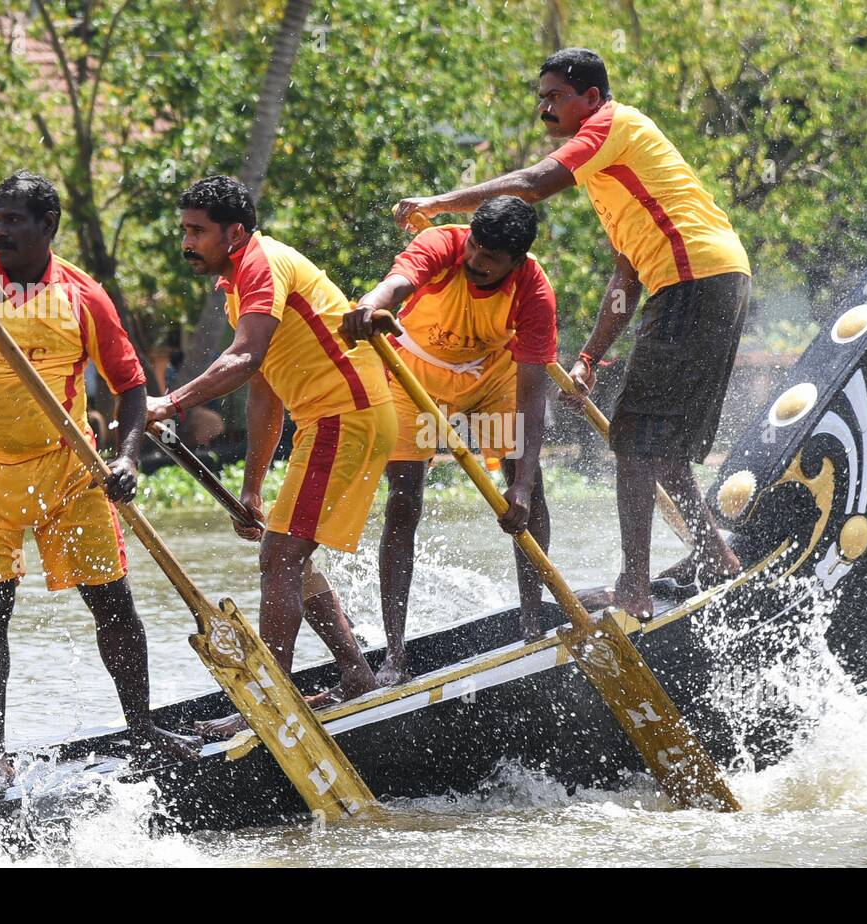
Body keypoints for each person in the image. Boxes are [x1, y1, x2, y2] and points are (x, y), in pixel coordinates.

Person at [394, 47, 751, 619]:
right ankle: (715, 557)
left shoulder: (613, 124)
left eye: (554, 98)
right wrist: (588, 356)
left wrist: (440, 203)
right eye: (541, 99)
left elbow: (533, 184)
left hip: (694, 279)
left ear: (591, 97)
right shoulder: (607, 178)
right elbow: (625, 275)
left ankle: (634, 590)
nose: (545, 111)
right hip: (704, 282)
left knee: (634, 441)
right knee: (660, 446)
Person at [0, 170, 200, 790]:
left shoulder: (84, 295)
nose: (0, 230)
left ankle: (142, 732)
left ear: (47, 227)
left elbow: (132, 388)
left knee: (113, 603)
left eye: (13, 220)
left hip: (69, 473)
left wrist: (129, 459)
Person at [146, 175, 394, 733]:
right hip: (329, 419)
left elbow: (244, 358)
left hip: (345, 413)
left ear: (235, 232)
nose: (187, 243)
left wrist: (172, 401)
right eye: (184, 230)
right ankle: (355, 674)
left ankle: (271, 704)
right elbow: (265, 386)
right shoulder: (237, 283)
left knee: (279, 558)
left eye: (198, 232)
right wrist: (252, 485)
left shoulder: (261, 265)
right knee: (288, 556)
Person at [341, 197, 558, 684]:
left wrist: (519, 487)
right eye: (475, 249)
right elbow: (398, 283)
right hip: (413, 382)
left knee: (528, 493)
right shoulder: (443, 242)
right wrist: (371, 306)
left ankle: (532, 622)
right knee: (403, 502)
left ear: (517, 261)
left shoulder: (534, 291)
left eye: (491, 259)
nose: (476, 263)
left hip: (489, 387)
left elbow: (531, 393)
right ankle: (395, 655)